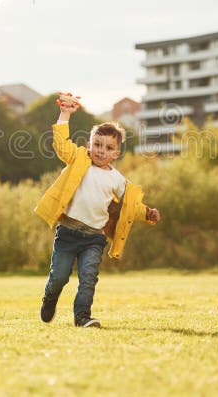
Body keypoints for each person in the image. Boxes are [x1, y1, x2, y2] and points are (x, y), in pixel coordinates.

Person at [34, 92, 161, 328]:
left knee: (88, 278)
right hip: (68, 232)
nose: (101, 150)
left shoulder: (117, 179)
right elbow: (61, 145)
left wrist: (147, 213)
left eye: (108, 147)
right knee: (59, 277)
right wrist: (65, 113)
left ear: (116, 153)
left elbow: (130, 205)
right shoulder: (79, 160)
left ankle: (82, 316)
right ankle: (50, 297)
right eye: (97, 145)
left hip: (94, 237)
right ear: (89, 145)